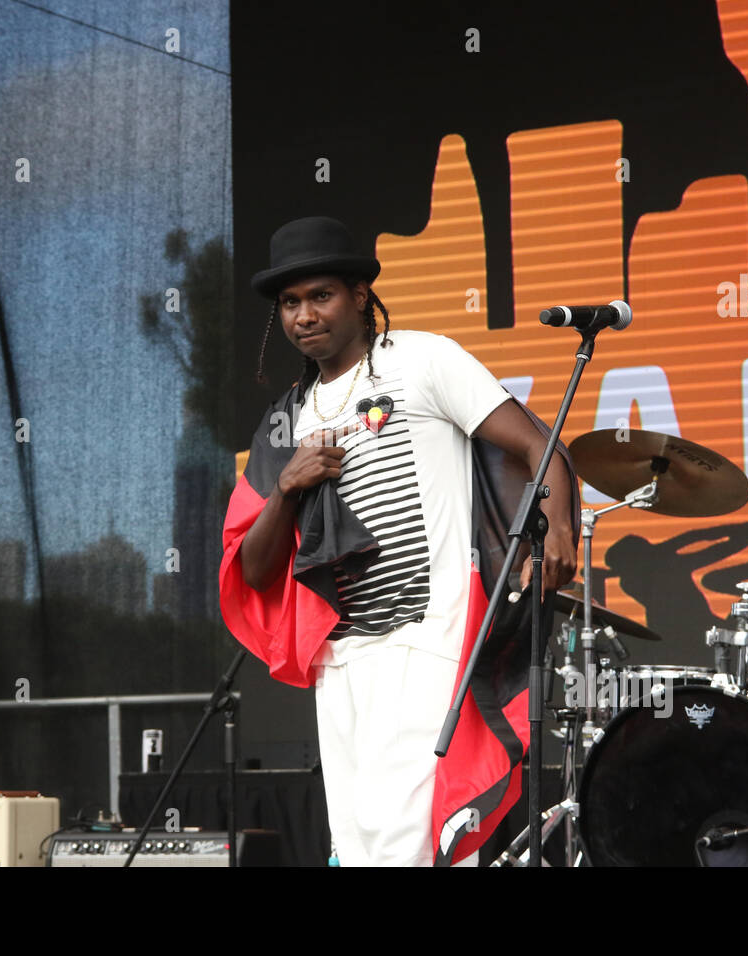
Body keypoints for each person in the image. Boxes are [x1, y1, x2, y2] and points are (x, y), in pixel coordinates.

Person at [220, 216, 577, 866]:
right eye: (291, 303)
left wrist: (556, 531)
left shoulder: (422, 360)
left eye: (321, 295)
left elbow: (538, 445)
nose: (304, 315)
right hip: (341, 660)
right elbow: (253, 566)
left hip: (423, 636)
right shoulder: (286, 419)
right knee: (358, 850)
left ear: (360, 293)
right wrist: (287, 489)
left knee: (402, 843)